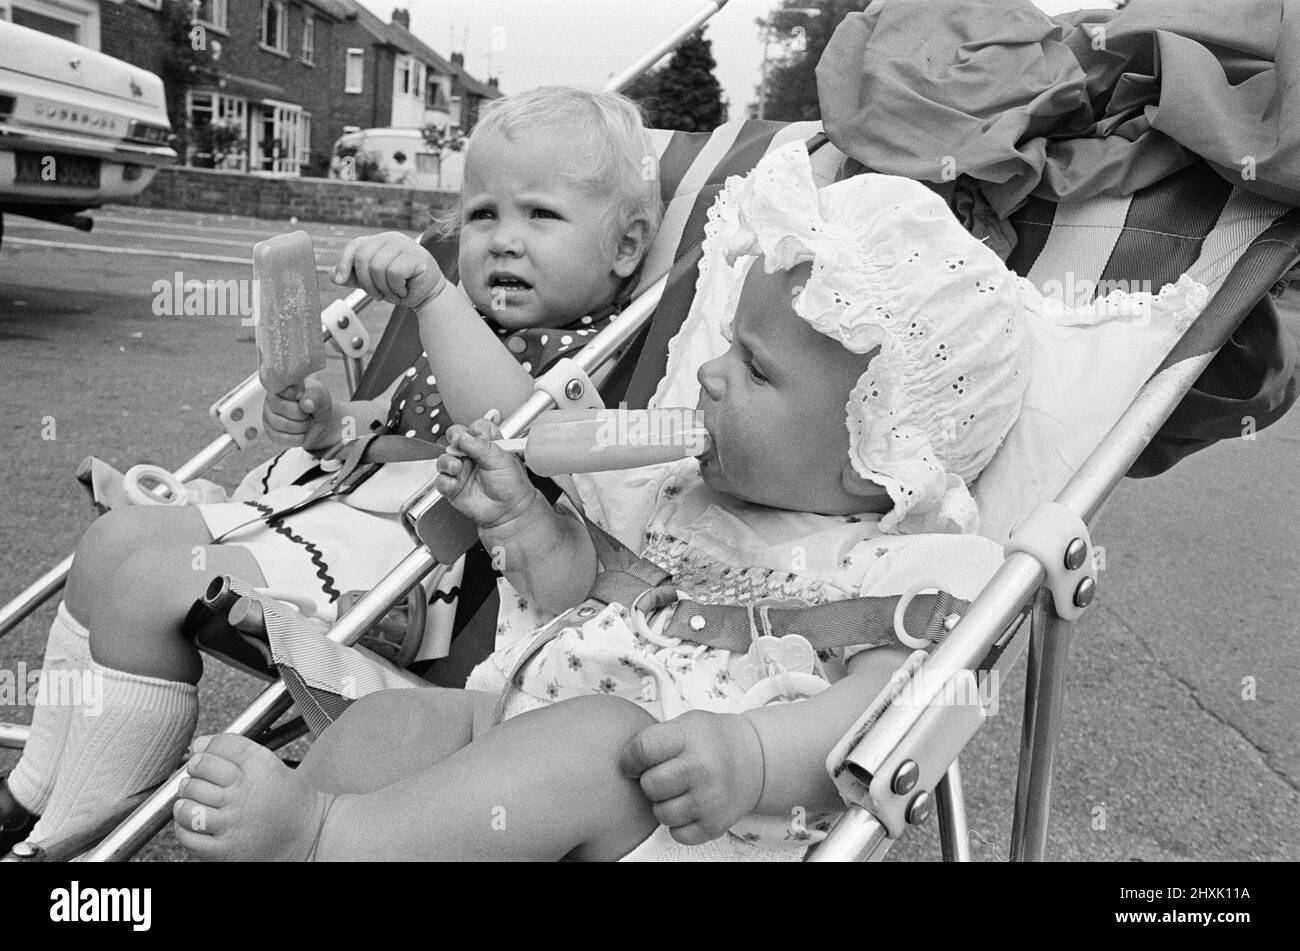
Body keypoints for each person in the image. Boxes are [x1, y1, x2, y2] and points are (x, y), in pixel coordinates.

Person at [171, 140, 1032, 862]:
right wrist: (522, 521)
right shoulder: (680, 492)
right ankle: (318, 827)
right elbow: (577, 591)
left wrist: (754, 753)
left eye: (756, 368)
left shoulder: (892, 567)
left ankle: (324, 835)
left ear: (872, 454)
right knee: (401, 721)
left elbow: (883, 711)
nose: (709, 370)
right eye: (729, 343)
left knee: (594, 742)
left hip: (666, 811)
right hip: (517, 726)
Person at [0, 86, 661, 853]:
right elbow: (386, 424)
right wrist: (328, 421)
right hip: (331, 509)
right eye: (482, 214)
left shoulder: (593, 360)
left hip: (407, 580)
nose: (503, 240)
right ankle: (37, 786)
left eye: (540, 214)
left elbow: (516, 432)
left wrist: (435, 299)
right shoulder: (469, 324)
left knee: (150, 581)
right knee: (117, 542)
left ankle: (84, 818)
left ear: (625, 245)